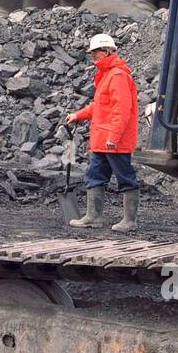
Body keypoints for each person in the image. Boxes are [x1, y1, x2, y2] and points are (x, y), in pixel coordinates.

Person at [65, 33, 140, 231]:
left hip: (114, 141)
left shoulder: (117, 76)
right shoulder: (107, 75)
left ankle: (129, 221)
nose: (92, 57)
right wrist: (78, 115)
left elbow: (122, 110)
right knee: (95, 175)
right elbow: (100, 106)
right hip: (102, 139)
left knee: (125, 177)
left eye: (95, 53)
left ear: (107, 51)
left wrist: (114, 138)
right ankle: (93, 217)